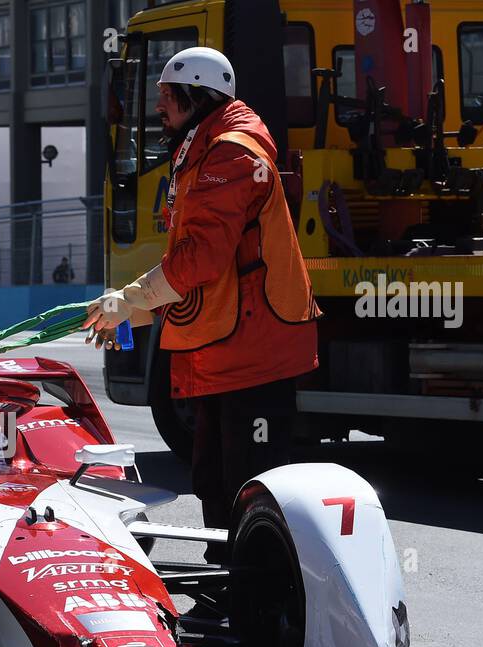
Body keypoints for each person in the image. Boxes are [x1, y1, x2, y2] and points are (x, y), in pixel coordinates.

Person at [83, 47, 319, 557]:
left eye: (168, 96)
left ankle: (256, 587)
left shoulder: (231, 152)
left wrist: (130, 300)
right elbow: (201, 265)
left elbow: (200, 260)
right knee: (213, 476)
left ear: (198, 96)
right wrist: (132, 308)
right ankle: (231, 573)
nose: (159, 107)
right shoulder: (202, 148)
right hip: (229, 343)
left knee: (249, 483)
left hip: (253, 348)